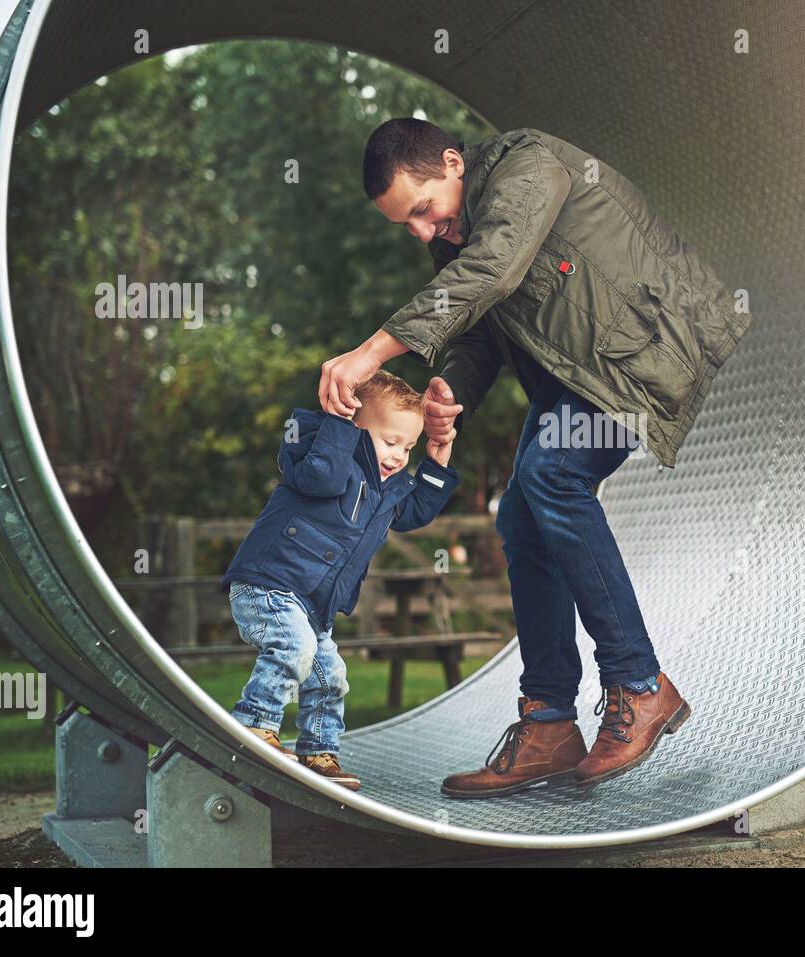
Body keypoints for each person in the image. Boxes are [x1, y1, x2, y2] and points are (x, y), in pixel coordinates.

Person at [317, 119, 752, 796]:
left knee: (551, 476)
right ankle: (549, 721)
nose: (424, 233)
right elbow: (479, 334)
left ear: (455, 163)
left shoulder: (530, 166)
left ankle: (639, 685)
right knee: (521, 516)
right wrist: (448, 388)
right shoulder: (457, 234)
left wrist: (373, 351)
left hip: (643, 352)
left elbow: (496, 265)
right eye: (407, 225)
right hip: (578, 379)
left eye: (424, 211)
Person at [220, 371, 459, 790]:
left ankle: (319, 750)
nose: (400, 456)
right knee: (295, 648)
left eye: (408, 446)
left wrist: (437, 461)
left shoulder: (388, 490)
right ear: (354, 426)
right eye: (390, 441)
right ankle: (254, 726)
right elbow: (322, 478)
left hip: (314, 605)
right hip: (269, 583)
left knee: (330, 675)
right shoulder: (322, 454)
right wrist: (337, 424)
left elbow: (415, 513)